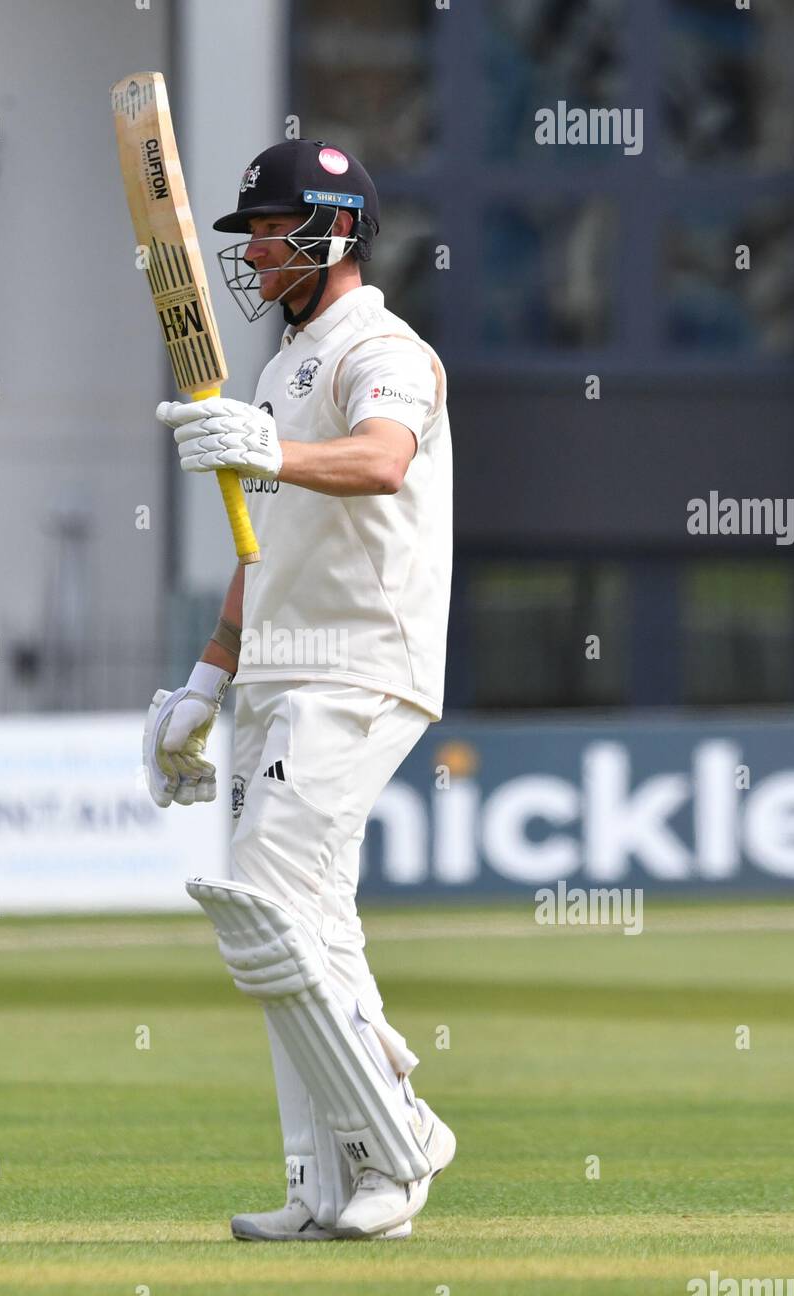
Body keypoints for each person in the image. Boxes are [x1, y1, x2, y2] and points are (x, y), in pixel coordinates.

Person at [143, 139, 454, 1240]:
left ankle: (397, 1149)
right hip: (279, 665)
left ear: (336, 231)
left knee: (271, 895)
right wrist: (203, 679)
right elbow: (259, 542)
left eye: (275, 228)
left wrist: (267, 445)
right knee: (302, 916)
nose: (257, 250)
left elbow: (378, 460)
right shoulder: (281, 369)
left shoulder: (384, 347)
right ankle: (318, 1183)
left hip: (358, 660)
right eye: (253, 232)